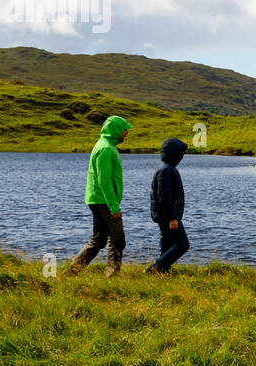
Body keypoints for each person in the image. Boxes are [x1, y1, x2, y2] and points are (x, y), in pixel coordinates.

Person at [66, 115, 132, 277]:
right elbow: (104, 181)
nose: (126, 133)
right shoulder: (106, 149)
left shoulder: (105, 145)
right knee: (118, 238)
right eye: (124, 130)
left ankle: (71, 272)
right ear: (116, 130)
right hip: (104, 201)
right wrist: (114, 206)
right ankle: (112, 274)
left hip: (99, 199)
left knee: (100, 239)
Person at [147, 138, 190, 274]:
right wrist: (172, 218)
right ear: (173, 153)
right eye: (181, 153)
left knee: (167, 243)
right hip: (167, 216)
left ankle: (163, 271)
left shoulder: (167, 168)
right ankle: (155, 268)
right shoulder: (166, 170)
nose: (183, 156)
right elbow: (163, 197)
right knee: (182, 244)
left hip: (165, 214)